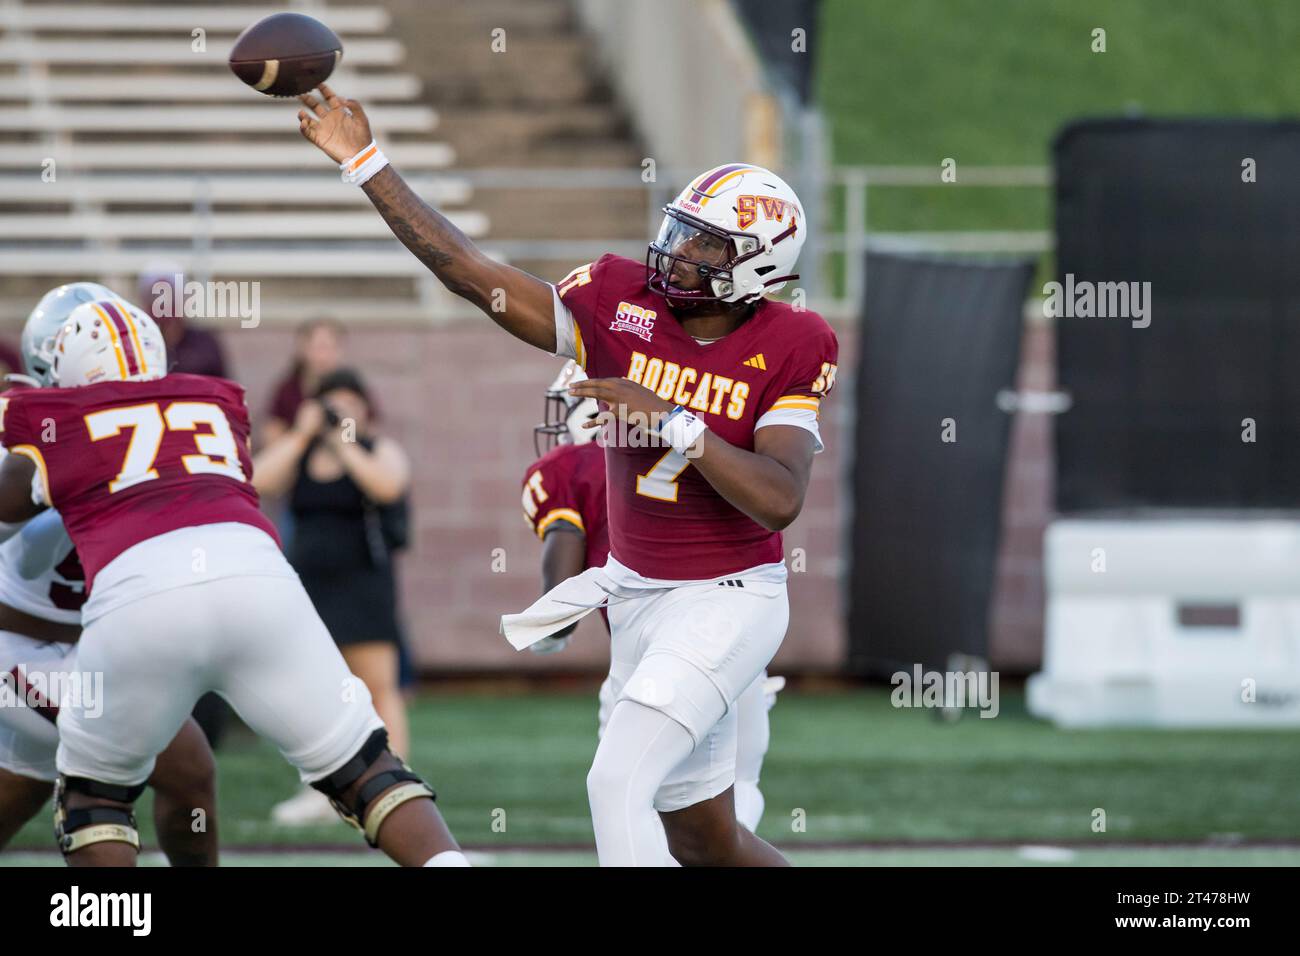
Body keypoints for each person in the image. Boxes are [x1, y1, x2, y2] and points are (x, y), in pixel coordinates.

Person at [297, 86, 837, 866]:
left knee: (616, 783)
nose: (678, 254)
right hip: (638, 594)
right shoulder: (619, 301)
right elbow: (469, 272)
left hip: (729, 601)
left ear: (759, 264)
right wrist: (366, 164)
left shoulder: (794, 340)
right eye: (680, 234)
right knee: (703, 835)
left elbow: (780, 498)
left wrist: (675, 421)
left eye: (706, 245)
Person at [0, 292, 466, 867]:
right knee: (366, 766)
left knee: (98, 799)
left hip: (138, 607)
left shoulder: (54, 421)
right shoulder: (214, 399)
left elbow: (13, 497)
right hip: (260, 581)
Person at [0, 283, 220, 865]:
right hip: (25, 649)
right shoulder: (26, 438)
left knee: (27, 788)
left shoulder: (150, 431)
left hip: (89, 647)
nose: (132, 395)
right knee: (171, 766)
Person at [524, 361, 783, 836]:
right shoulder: (709, 442)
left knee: (628, 796)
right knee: (737, 789)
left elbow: (562, 570)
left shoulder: (569, 466)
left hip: (655, 650)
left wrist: (547, 629)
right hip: (738, 632)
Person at [252, 367, 413, 825]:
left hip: (363, 587)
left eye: (348, 406)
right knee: (316, 691)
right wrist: (303, 435)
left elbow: (387, 485)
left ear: (366, 409)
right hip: (309, 589)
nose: (338, 415)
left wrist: (346, 441)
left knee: (378, 688)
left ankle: (393, 783)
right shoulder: (301, 454)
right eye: (330, 406)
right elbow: (258, 480)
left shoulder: (378, 450)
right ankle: (322, 790)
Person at [260, 318, 347, 447]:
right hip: (298, 455)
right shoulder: (289, 389)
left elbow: (366, 438)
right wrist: (302, 432)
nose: (324, 356)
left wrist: (347, 422)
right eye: (319, 348)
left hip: (340, 454)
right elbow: (270, 438)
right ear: (303, 348)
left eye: (331, 348)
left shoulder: (350, 388)